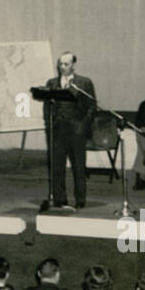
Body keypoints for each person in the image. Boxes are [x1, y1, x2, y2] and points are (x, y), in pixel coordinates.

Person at [40, 52, 96, 211]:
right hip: (57, 132)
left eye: (66, 64)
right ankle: (59, 199)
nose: (62, 67)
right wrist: (49, 127)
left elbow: (92, 107)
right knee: (57, 166)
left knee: (79, 166)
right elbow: (47, 108)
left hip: (77, 131)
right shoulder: (52, 83)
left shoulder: (84, 83)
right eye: (60, 64)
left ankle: (80, 200)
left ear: (73, 65)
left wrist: (83, 125)